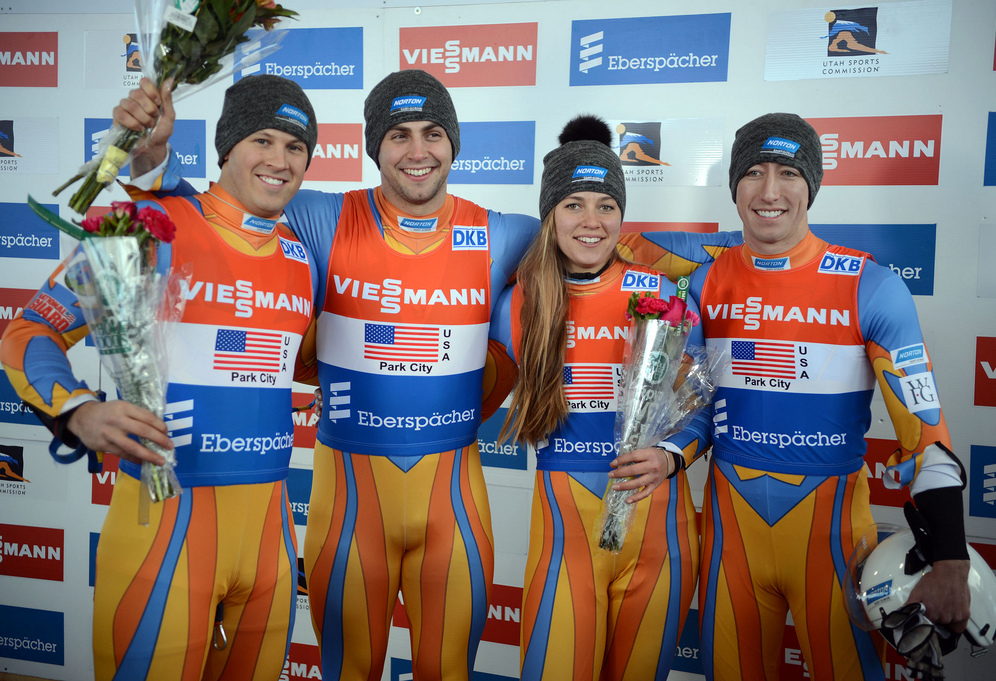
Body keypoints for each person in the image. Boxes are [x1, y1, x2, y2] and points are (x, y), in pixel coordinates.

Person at [129, 69, 741, 681]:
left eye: (432, 134)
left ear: (453, 144)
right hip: (347, 504)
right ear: (375, 147)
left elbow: (594, 237)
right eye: (399, 135)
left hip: (454, 507)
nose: (418, 151)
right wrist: (148, 170)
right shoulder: (321, 217)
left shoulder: (504, 233)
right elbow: (214, 220)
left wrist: (753, 246)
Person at [1, 74, 319, 680]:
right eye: (263, 140)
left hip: (272, 549)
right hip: (163, 534)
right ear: (227, 148)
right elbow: (26, 334)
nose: (280, 160)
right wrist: (77, 412)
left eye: (296, 147)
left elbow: (303, 355)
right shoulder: (148, 228)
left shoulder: (302, 252)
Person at [680, 113, 970, 680]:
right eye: (753, 174)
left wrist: (951, 558)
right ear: (734, 185)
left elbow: (927, 437)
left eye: (788, 173)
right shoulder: (703, 282)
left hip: (833, 540)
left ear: (810, 185)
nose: (769, 192)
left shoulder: (871, 286)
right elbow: (686, 408)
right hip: (728, 538)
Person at [489, 116, 712, 681]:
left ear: (622, 215)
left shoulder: (660, 292)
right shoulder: (517, 304)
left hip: (658, 530)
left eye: (606, 205)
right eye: (574, 205)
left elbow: (704, 402)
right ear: (550, 214)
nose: (592, 222)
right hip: (567, 533)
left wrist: (671, 456)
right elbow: (461, 389)